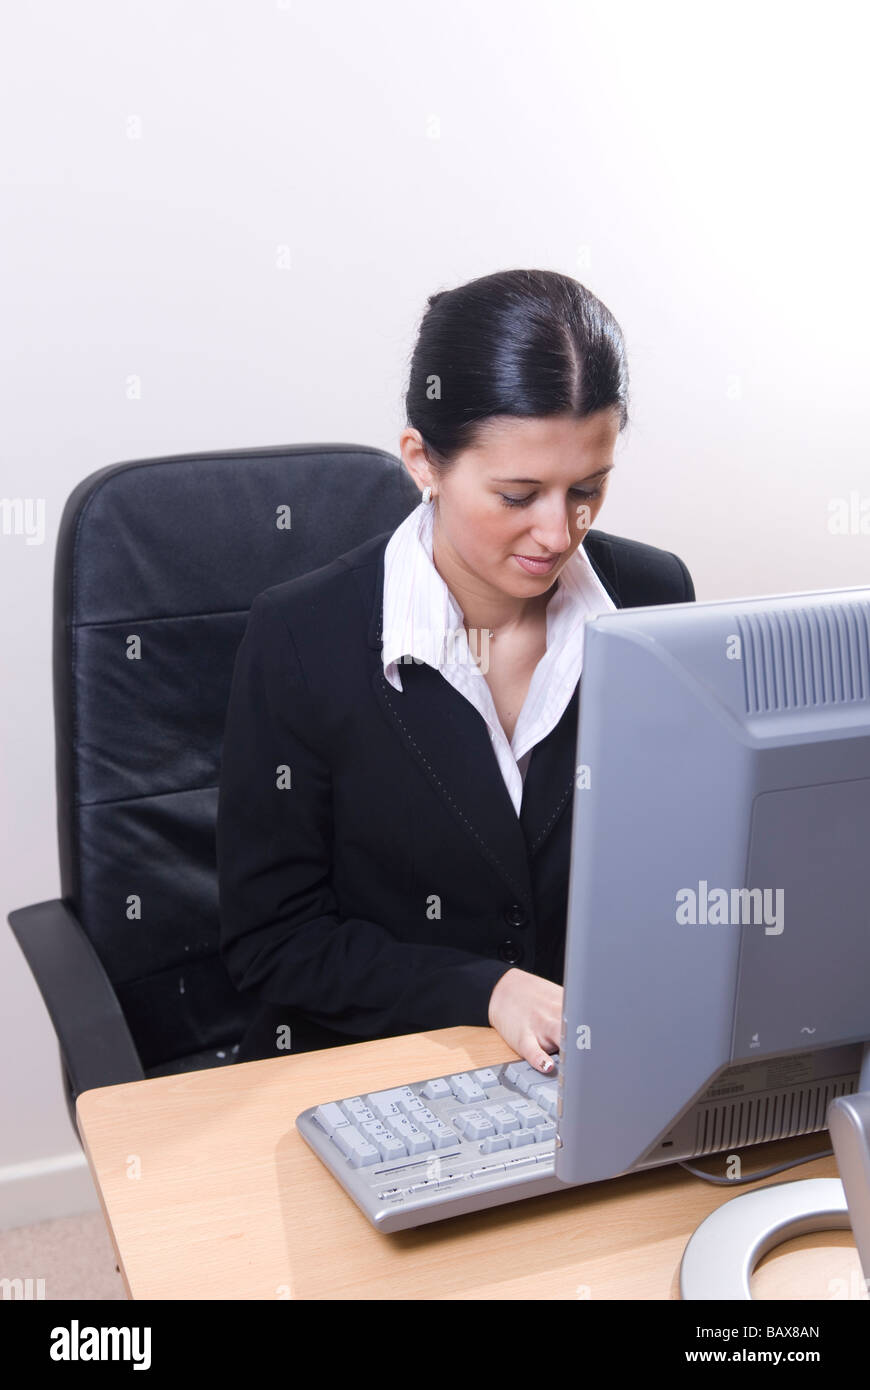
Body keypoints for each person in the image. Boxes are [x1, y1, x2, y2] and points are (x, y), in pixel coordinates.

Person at [216, 267, 695, 1073]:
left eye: (588, 488)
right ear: (423, 462)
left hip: (591, 1064)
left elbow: (680, 864)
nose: (558, 531)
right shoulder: (302, 637)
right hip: (380, 1065)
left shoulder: (653, 599)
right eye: (518, 495)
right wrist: (485, 989)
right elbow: (275, 942)